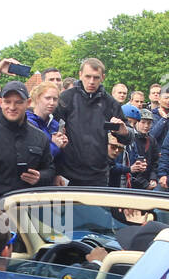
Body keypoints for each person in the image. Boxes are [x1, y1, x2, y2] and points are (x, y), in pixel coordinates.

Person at [55, 58, 128, 187]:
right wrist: (55, 171)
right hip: (68, 173)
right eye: (88, 76)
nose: (91, 82)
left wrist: (124, 133)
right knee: (68, 208)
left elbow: (128, 137)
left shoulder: (110, 103)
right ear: (80, 74)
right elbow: (51, 131)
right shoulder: (66, 98)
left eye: (96, 77)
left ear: (103, 78)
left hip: (98, 174)